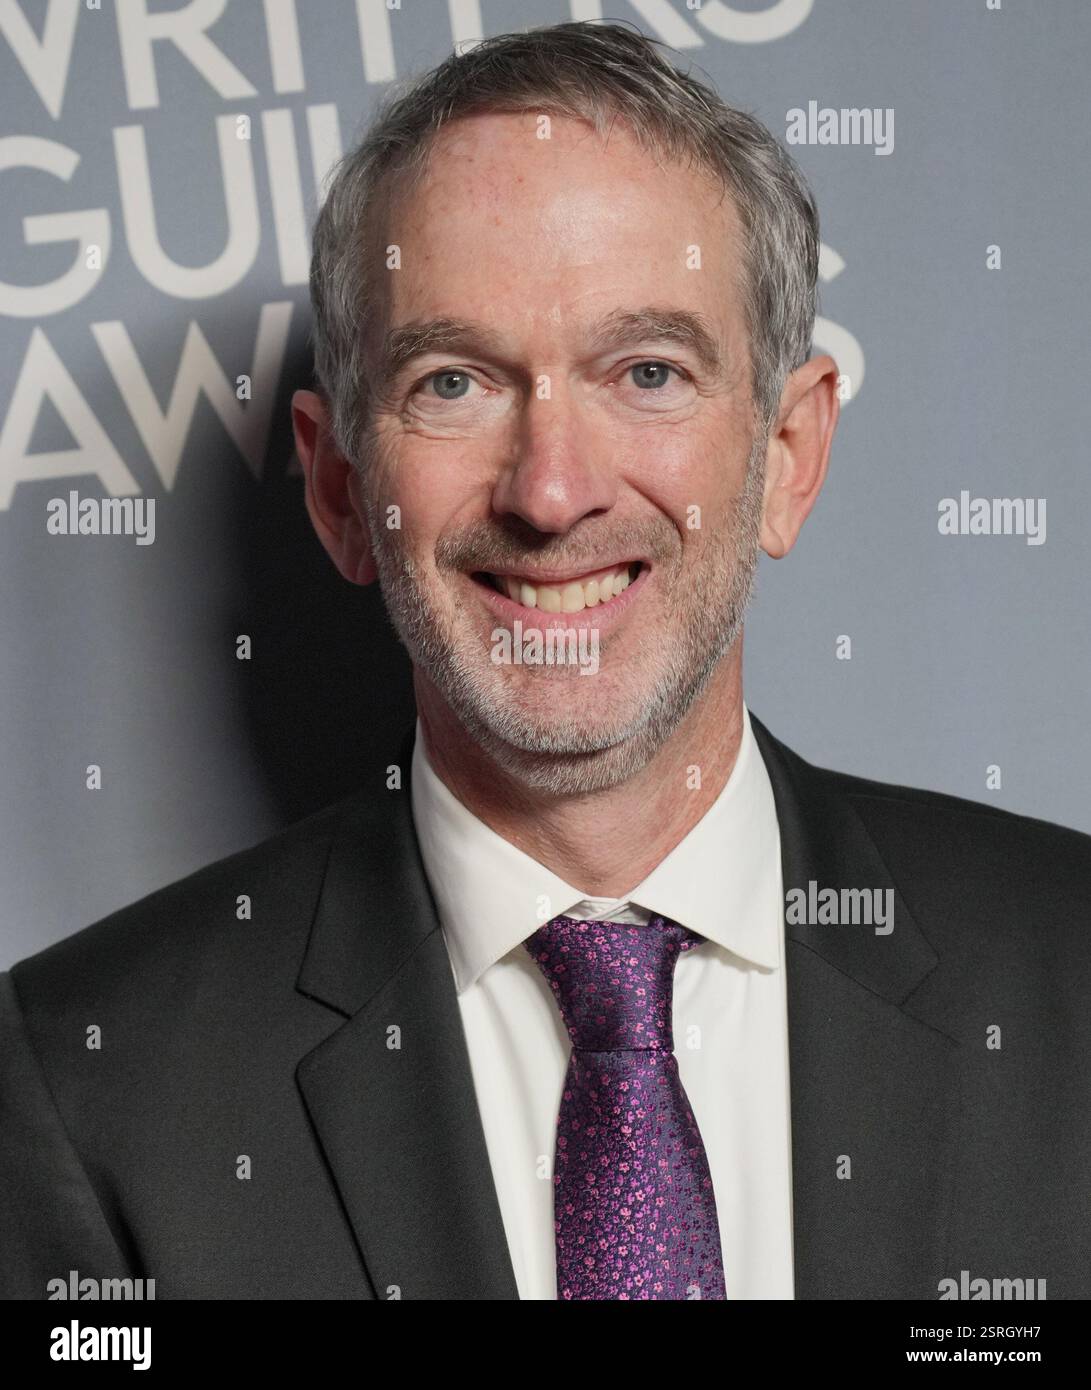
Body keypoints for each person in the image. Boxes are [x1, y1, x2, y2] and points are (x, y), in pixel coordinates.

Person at [2, 21, 1088, 1302]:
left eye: (646, 370)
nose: (553, 489)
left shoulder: (1063, 973)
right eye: (454, 383)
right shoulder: (86, 1079)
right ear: (341, 490)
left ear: (786, 455)